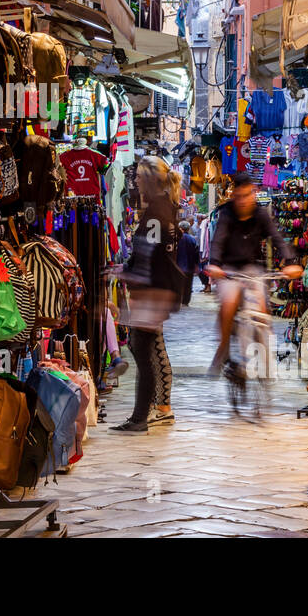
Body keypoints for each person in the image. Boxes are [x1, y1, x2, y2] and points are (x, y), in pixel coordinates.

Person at [204, 172, 302, 381]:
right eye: (239, 196)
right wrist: (214, 264)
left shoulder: (261, 215)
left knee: (263, 308)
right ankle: (223, 349)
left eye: (247, 195)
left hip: (253, 269)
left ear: (254, 193)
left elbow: (277, 238)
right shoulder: (227, 214)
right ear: (233, 196)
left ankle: (265, 356)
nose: (243, 200)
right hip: (230, 269)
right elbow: (218, 241)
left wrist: (291, 263)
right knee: (229, 303)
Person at [111, 156, 182, 433]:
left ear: (151, 180)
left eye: (140, 176)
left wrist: (129, 272)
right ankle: (150, 411)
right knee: (147, 348)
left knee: (143, 350)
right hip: (153, 290)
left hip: (152, 292)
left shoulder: (157, 212)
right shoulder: (161, 208)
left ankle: (142, 416)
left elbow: (149, 256)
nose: (136, 180)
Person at [177, 215, 201, 309]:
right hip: (189, 267)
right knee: (188, 285)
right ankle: (185, 302)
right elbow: (196, 254)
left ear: (181, 228)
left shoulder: (177, 239)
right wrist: (196, 265)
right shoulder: (192, 239)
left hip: (178, 266)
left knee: (179, 284)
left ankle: (178, 300)